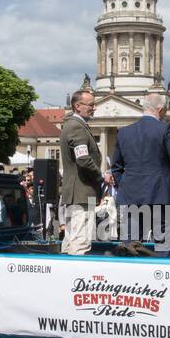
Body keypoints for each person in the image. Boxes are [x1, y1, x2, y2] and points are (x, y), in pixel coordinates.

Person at [111, 91, 170, 255]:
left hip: (131, 197)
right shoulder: (165, 128)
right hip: (160, 194)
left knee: (130, 247)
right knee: (163, 247)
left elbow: (115, 166)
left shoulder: (123, 132)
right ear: (160, 109)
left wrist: (125, 184)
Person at [58, 89, 104, 255]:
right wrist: (101, 177)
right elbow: (83, 159)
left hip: (83, 192)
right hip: (82, 192)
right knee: (80, 240)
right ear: (78, 106)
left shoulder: (75, 125)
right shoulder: (76, 127)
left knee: (73, 237)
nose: (94, 108)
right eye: (91, 105)